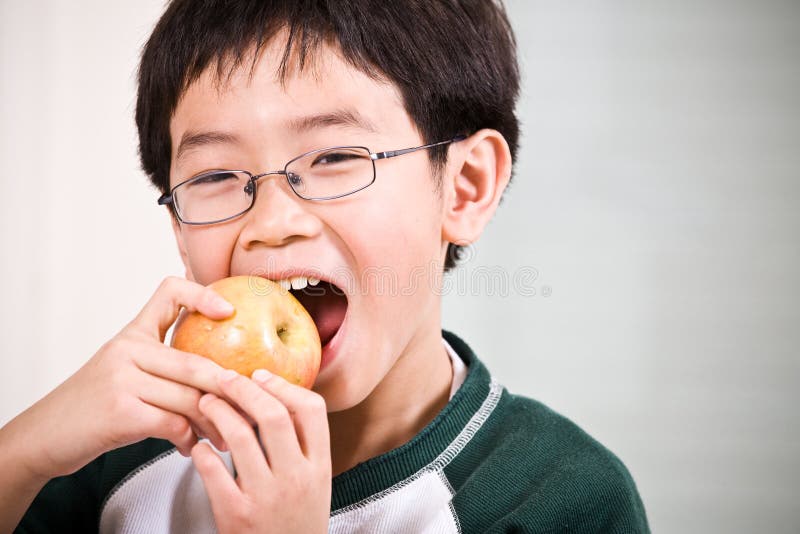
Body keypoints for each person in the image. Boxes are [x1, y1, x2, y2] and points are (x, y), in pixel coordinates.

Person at [1, 1, 650, 532]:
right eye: (219, 175)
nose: (273, 222)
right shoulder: (117, 462)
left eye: (335, 158)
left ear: (465, 187)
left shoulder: (561, 500)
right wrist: (21, 452)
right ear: (177, 225)